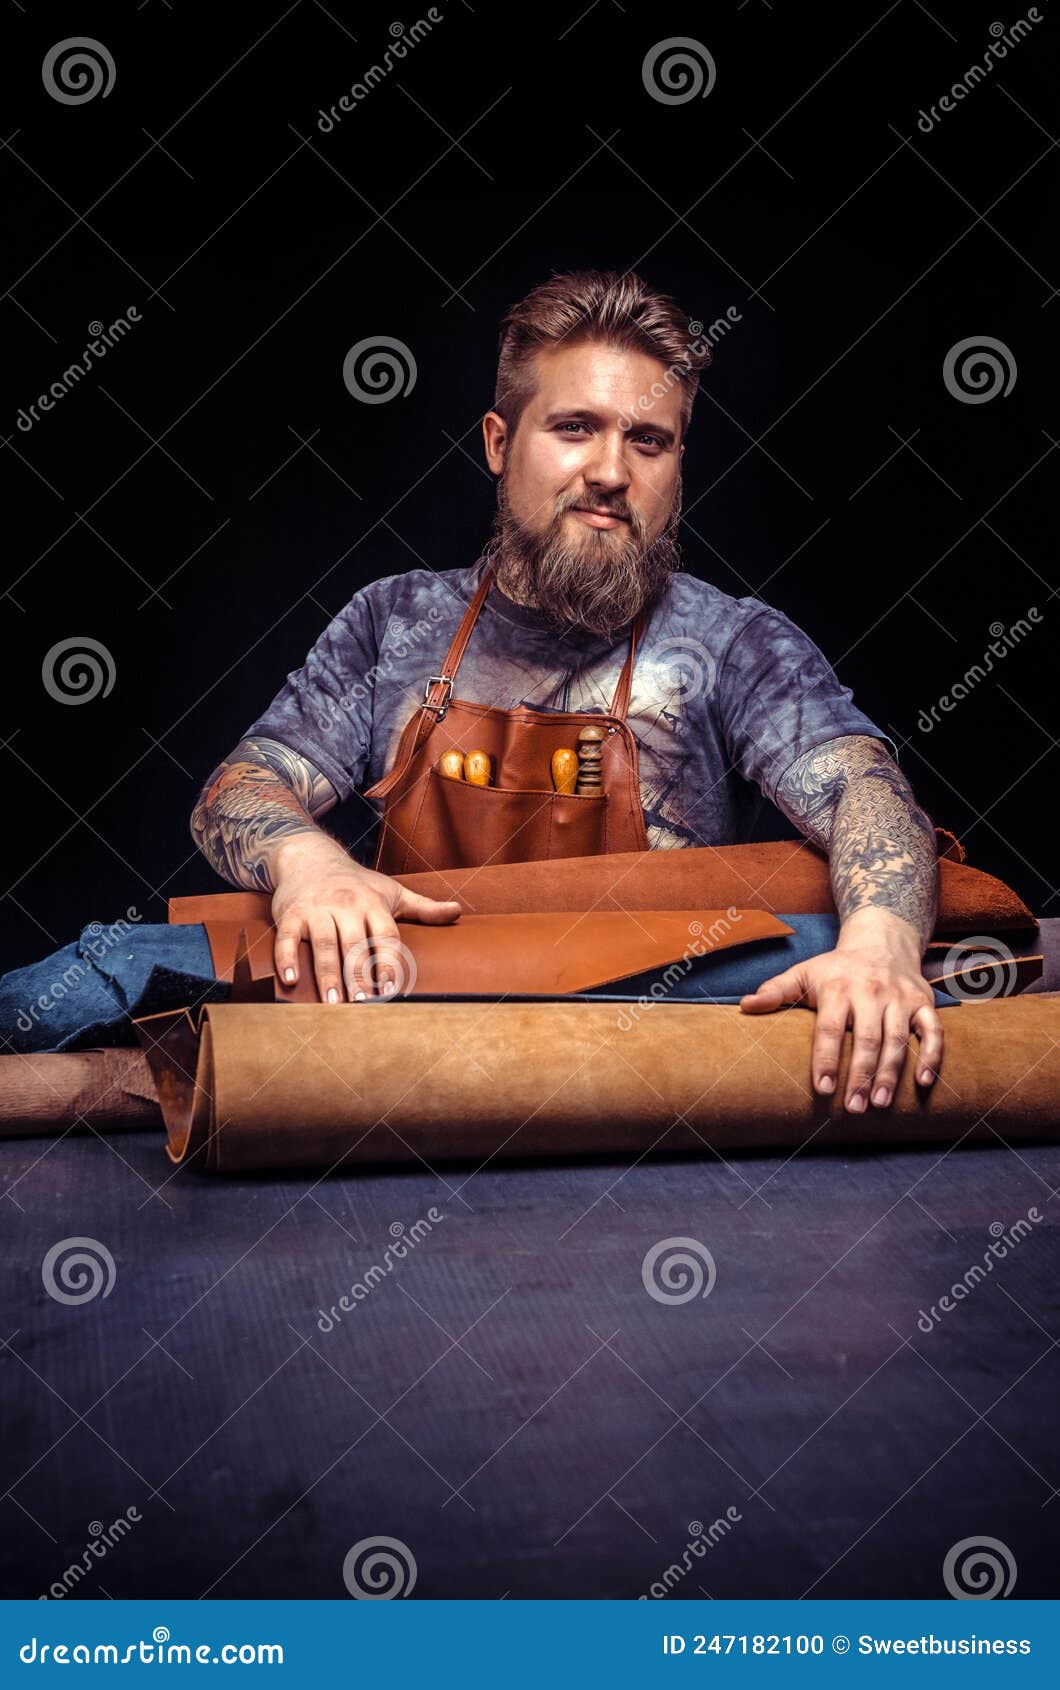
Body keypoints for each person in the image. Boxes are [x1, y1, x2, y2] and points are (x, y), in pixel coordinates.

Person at [190, 269, 943, 1116]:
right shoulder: (391, 623)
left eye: (648, 441)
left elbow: (863, 792)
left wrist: (881, 944)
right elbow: (239, 789)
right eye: (575, 428)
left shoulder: (734, 645)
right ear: (498, 443)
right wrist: (310, 865)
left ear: (678, 465)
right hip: (399, 1069)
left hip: (647, 1083)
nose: (612, 471)